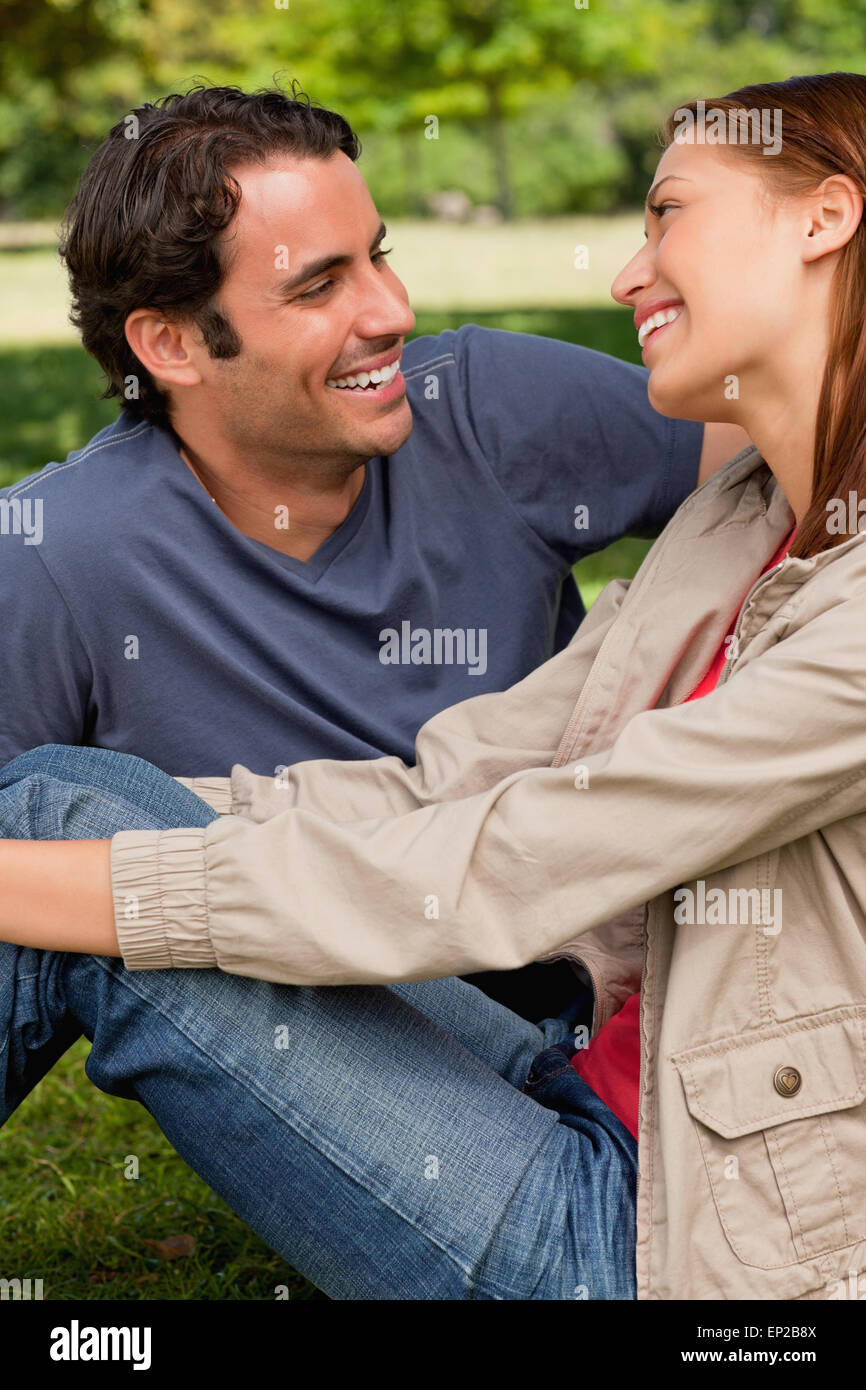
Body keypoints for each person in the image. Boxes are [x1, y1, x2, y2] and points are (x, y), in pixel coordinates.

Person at [4, 70, 865, 1300]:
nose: (626, 272)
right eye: (319, 282)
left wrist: (105, 887)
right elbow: (454, 778)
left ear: (822, 219)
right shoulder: (735, 522)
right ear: (171, 344)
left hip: (660, 1251)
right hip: (592, 1095)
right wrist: (104, 846)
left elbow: (515, 856)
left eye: (666, 213)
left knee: (69, 868)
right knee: (57, 806)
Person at [0, 82, 743, 1024]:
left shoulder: (485, 409)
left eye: (378, 257)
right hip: (328, 1022)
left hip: (570, 983)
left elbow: (801, 465)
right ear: (170, 343)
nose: (392, 311)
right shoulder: (56, 555)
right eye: (319, 285)